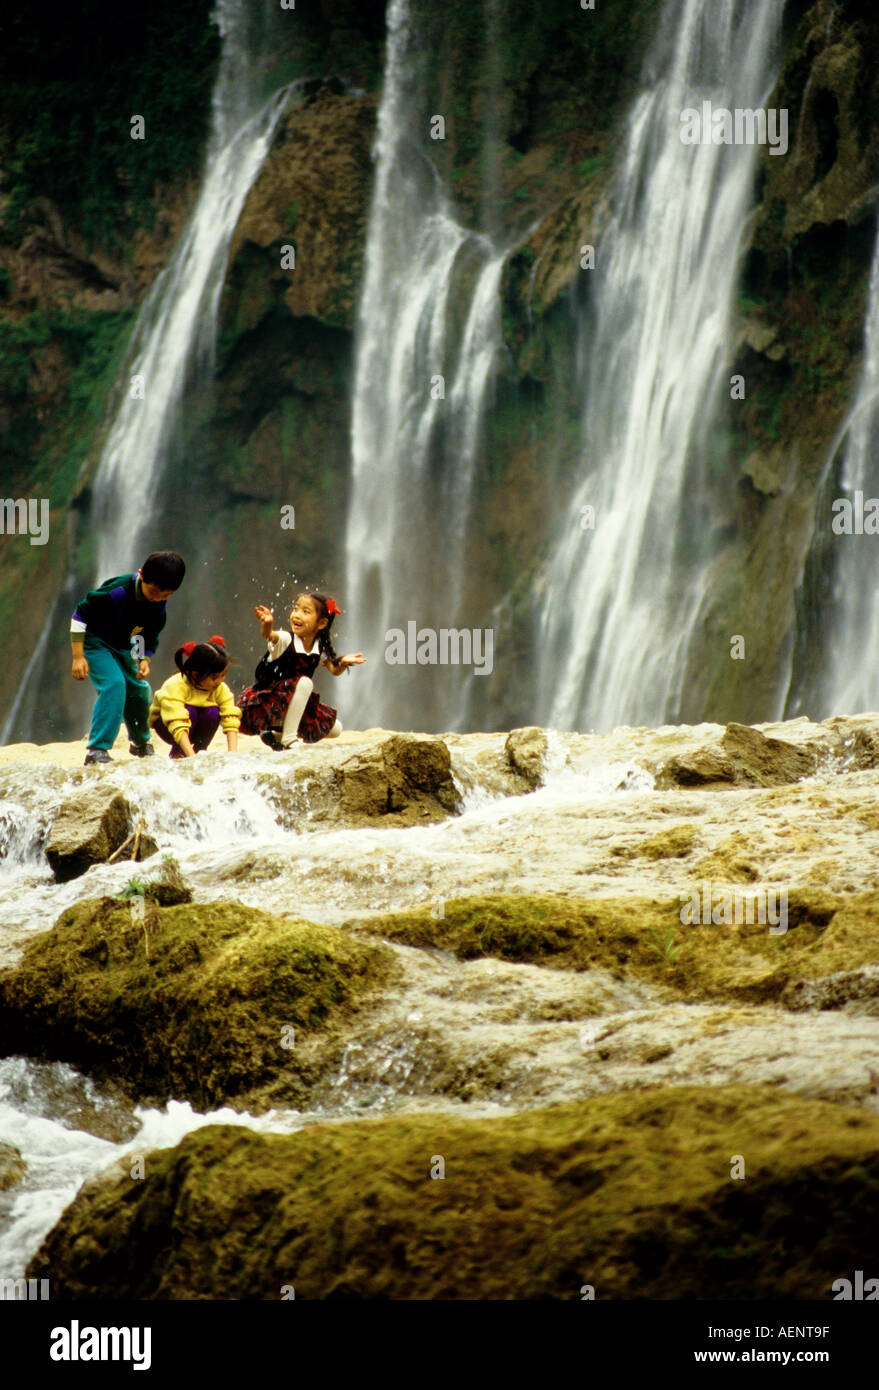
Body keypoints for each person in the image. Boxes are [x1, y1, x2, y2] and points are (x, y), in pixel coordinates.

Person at [70, 551, 186, 766]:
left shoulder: (159, 604)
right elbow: (80, 615)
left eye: (165, 595)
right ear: (141, 575)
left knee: (139, 690)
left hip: (125, 646)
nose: (157, 598)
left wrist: (144, 659)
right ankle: (97, 749)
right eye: (153, 591)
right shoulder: (119, 591)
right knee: (115, 685)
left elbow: (148, 635)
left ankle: (140, 743)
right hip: (95, 642)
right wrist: (78, 656)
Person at [238, 592, 365, 749]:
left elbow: (334, 670)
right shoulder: (286, 639)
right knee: (305, 682)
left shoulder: (319, 648)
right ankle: (289, 739)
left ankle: (276, 735)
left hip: (290, 705)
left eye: (306, 612)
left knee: (336, 729)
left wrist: (343, 663)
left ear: (322, 623)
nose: (297, 615)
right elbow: (269, 635)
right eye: (296, 609)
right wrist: (267, 624)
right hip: (269, 702)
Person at [149, 635, 241, 759]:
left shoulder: (220, 688)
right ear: (196, 675)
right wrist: (191, 757)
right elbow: (176, 722)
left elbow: (230, 718)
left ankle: (200, 750)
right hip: (167, 725)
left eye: (223, 675)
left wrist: (233, 755)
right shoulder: (176, 685)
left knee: (213, 712)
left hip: (195, 723)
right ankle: (178, 753)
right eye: (214, 678)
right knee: (190, 711)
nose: (220, 681)